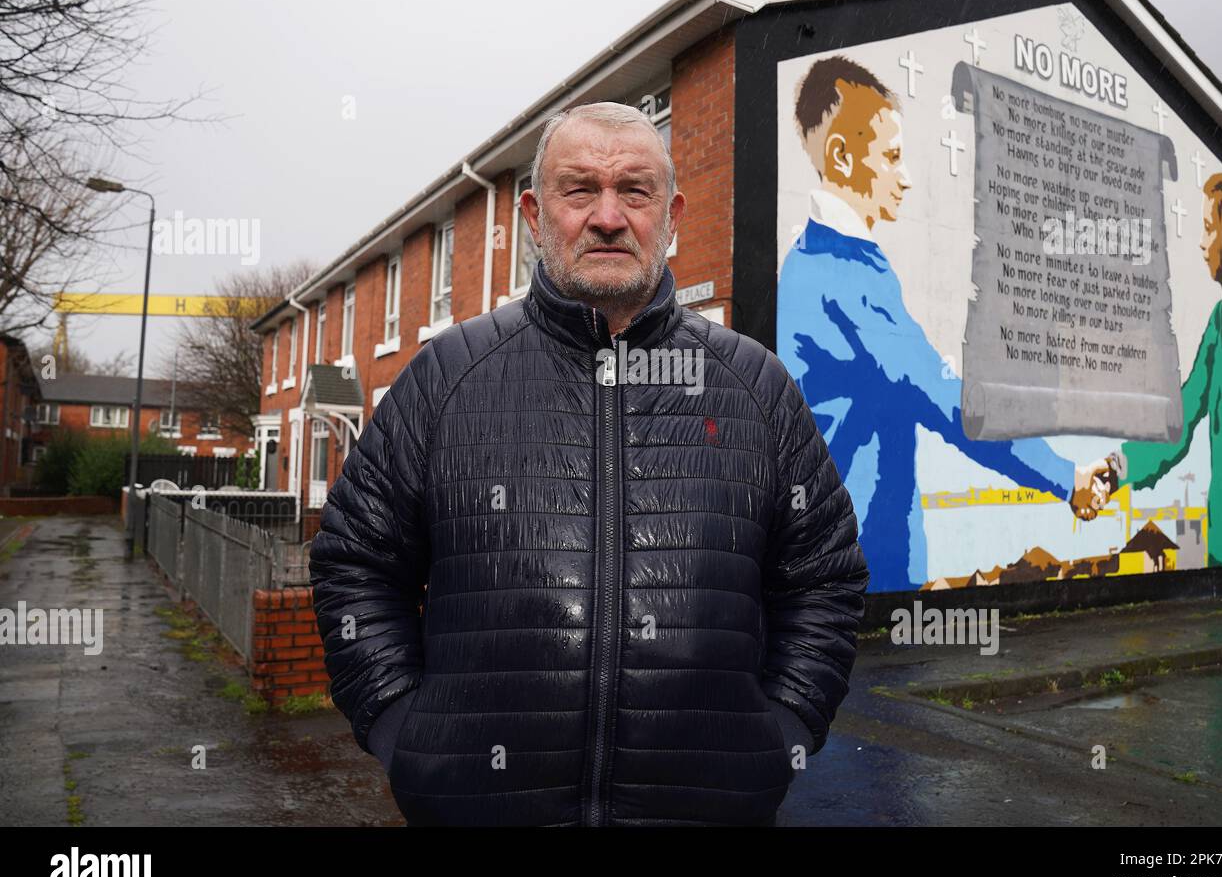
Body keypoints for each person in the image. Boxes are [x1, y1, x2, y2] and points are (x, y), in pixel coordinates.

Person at [310, 101, 868, 826]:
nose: (608, 217)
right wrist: (402, 729)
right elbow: (355, 563)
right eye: (580, 190)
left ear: (672, 215)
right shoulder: (445, 376)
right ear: (535, 215)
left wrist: (781, 730)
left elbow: (823, 578)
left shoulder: (756, 387)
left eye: (635, 191)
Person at [777, 55, 1111, 592]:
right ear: (840, 156)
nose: (906, 179)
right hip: (862, 569)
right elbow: (947, 402)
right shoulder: (845, 276)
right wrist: (1067, 478)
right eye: (891, 157)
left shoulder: (810, 263)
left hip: (834, 561)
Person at [1098, 173, 1222, 567]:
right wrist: (1116, 469)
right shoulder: (1218, 325)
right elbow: (1183, 416)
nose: (1201, 242)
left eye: (1209, 229)